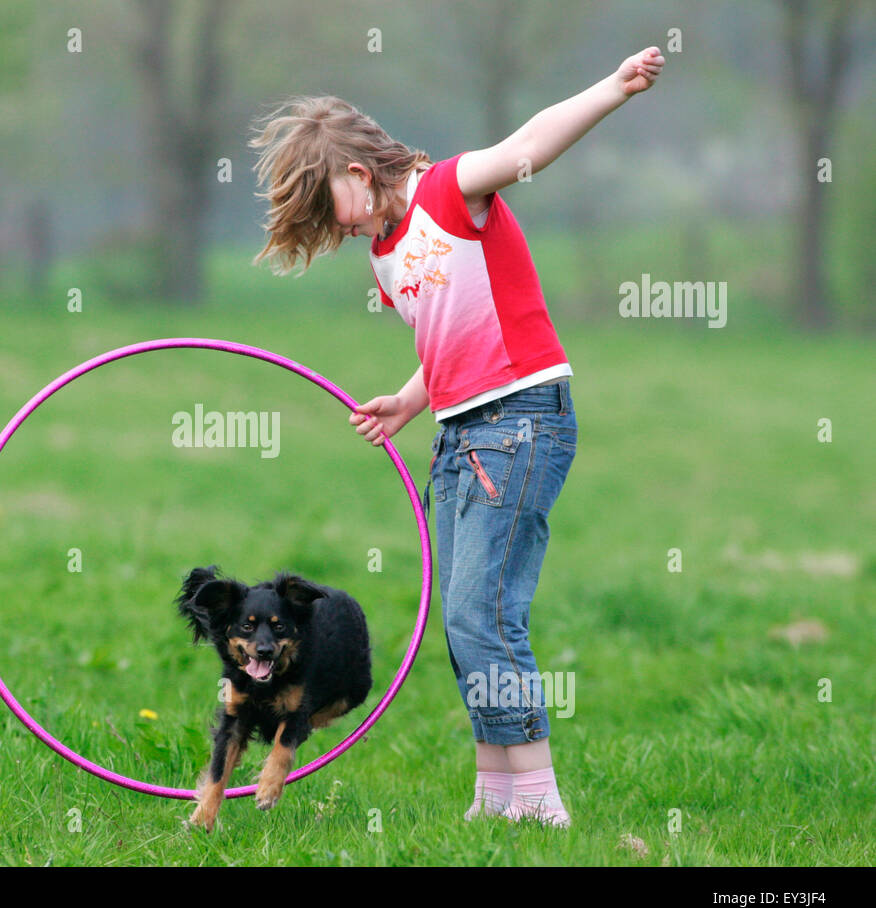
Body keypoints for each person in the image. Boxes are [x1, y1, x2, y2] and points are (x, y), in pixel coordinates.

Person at [251, 48, 665, 827]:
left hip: (522, 419)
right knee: (464, 617)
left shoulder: (449, 191)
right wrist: (410, 400)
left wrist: (611, 87)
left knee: (484, 613)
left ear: (357, 169)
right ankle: (494, 795)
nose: (338, 227)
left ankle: (539, 800)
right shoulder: (383, 251)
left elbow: (528, 145)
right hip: (461, 431)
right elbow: (444, 334)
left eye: (329, 203)